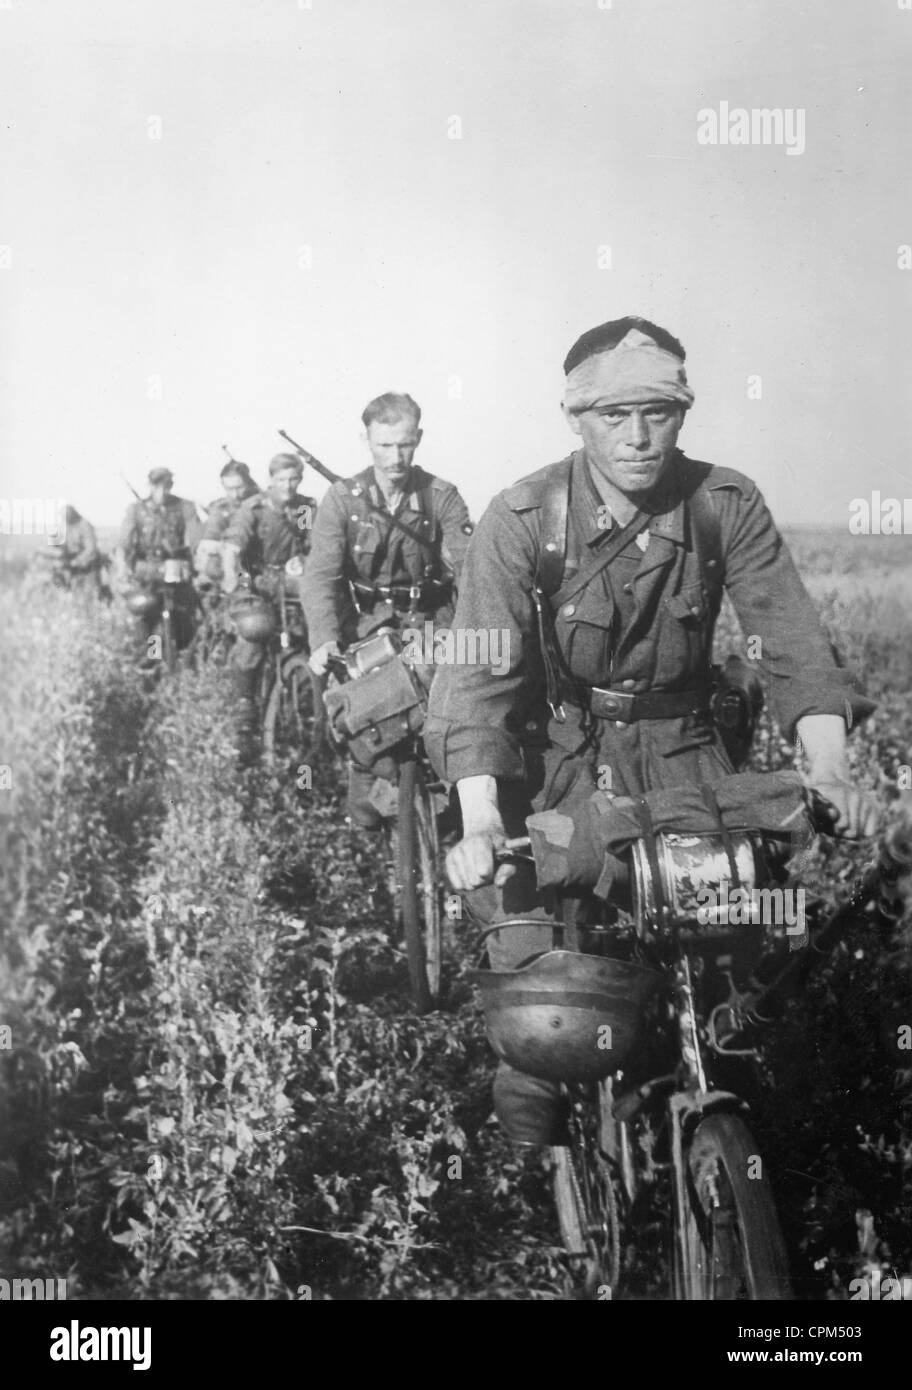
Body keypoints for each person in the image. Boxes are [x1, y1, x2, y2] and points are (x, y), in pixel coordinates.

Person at [424, 315, 881, 1146]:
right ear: (574, 416)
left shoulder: (722, 503)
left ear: (683, 411)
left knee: (739, 968)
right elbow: (478, 677)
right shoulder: (523, 517)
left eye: (658, 413)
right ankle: (549, 1159)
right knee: (545, 990)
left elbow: (793, 644)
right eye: (612, 416)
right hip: (563, 765)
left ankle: (719, 1146)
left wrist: (831, 765)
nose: (638, 438)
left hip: (688, 762)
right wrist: (483, 818)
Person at [301, 391, 473, 827]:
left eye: (404, 444)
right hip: (367, 628)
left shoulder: (441, 497)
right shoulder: (343, 499)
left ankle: (455, 815)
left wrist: (472, 631)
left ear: (418, 438)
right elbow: (320, 576)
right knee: (365, 723)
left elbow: (470, 568)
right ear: (366, 440)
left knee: (455, 712)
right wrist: (324, 639)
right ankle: (373, 815)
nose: (395, 457)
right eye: (384, 445)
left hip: (431, 625)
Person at [221, 452, 317, 757]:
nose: (287, 486)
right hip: (256, 582)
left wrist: (305, 559)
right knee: (254, 631)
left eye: (293, 479)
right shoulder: (255, 509)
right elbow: (233, 546)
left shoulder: (305, 508)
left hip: (291, 583)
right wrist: (232, 575)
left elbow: (314, 543)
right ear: (270, 480)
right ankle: (245, 711)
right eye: (280, 480)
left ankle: (313, 706)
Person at [117, 468, 202, 650]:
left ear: (171, 486)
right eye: (156, 487)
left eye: (166, 486)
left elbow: (195, 537)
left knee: (186, 612)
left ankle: (183, 657)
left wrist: (196, 561)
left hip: (176, 568)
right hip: (147, 570)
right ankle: (150, 659)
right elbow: (125, 542)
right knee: (147, 616)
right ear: (149, 486)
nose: (161, 492)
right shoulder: (136, 510)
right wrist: (127, 567)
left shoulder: (184, 506)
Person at [195, 458, 261, 592]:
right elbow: (211, 538)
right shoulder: (219, 509)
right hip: (239, 569)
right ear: (223, 486)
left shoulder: (261, 504)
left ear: (248, 483)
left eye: (240, 487)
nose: (235, 494)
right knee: (245, 594)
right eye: (230, 489)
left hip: (265, 567)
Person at [41, 505, 104, 597]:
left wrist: (76, 562)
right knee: (75, 594)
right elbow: (66, 546)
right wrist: (55, 542)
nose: (64, 519)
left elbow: (91, 550)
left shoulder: (84, 525)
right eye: (62, 517)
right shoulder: (68, 526)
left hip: (89, 568)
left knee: (93, 596)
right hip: (75, 569)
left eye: (65, 516)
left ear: (72, 514)